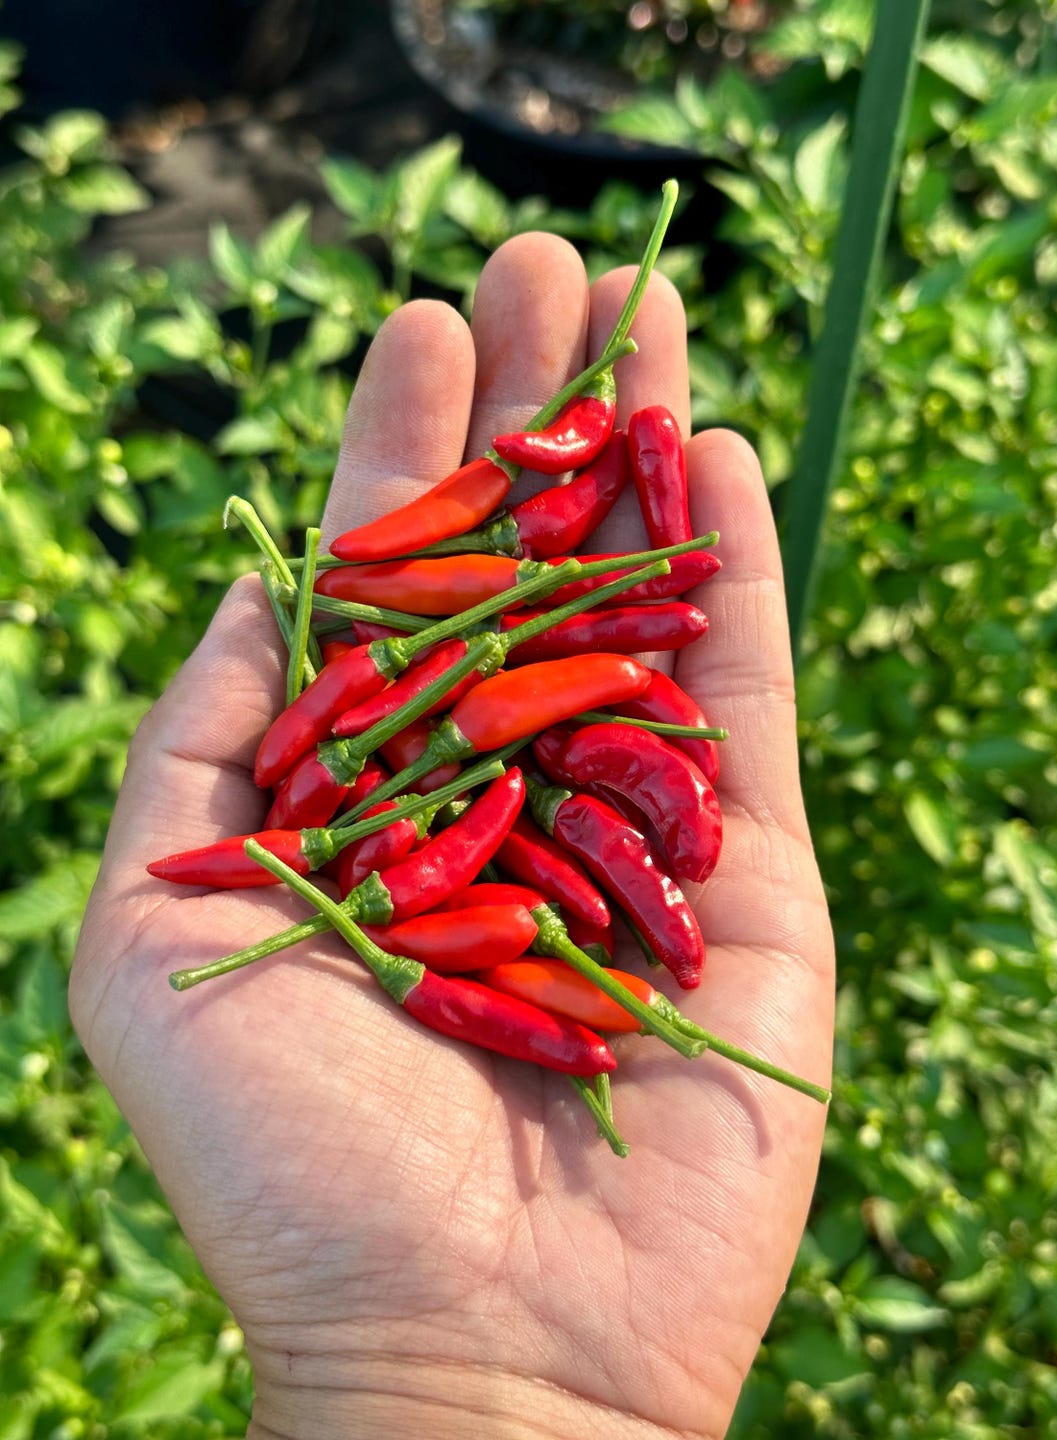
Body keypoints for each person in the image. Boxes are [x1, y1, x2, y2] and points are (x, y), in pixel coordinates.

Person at [70, 232, 835, 1439]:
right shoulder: (448, 779)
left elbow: (614, 850)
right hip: (432, 832)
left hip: (451, 812)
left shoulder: (511, 764)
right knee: (567, 885)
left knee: (581, 871)